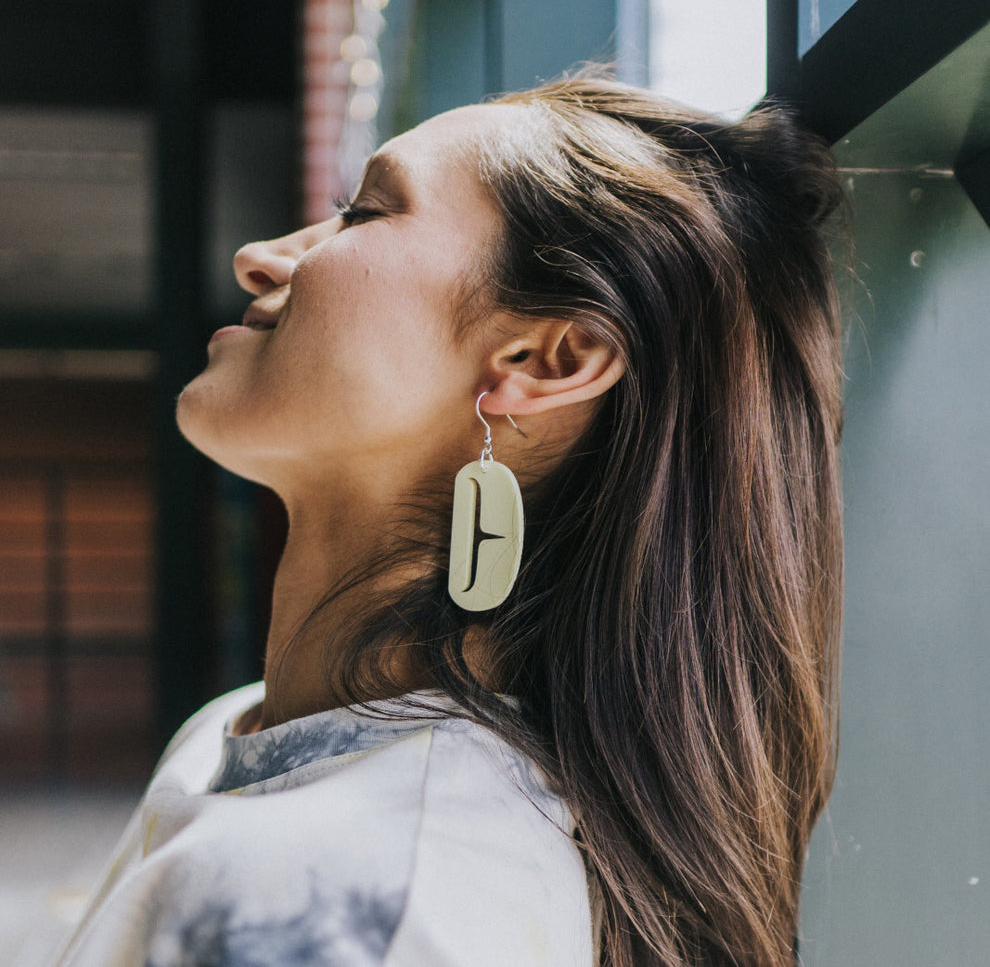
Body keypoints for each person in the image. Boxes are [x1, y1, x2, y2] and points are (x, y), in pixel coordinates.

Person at [56, 72, 844, 967]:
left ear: (547, 357)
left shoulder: (354, 900)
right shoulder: (240, 733)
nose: (261, 255)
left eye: (362, 215)